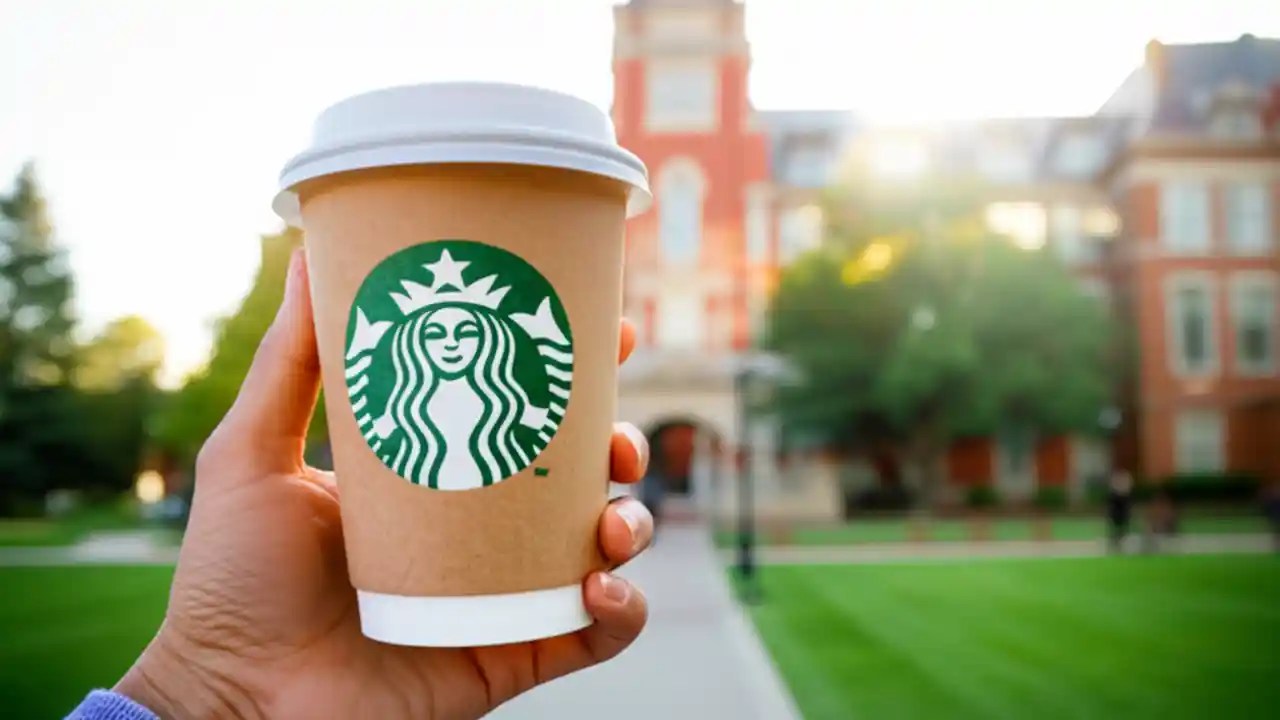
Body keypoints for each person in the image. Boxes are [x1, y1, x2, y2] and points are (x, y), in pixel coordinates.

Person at [67, 250, 654, 720]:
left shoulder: (514, 416)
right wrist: (208, 684)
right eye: (434, 334)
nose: (451, 345)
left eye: (467, 334)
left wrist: (211, 696)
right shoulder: (407, 414)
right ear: (410, 344)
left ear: (494, 343)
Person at [1106, 468, 1133, 553]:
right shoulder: (1114, 495)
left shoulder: (1125, 495)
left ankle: (1122, 541)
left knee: (1123, 527)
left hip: (1122, 512)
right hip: (1116, 512)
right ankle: (1115, 541)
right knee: (1115, 528)